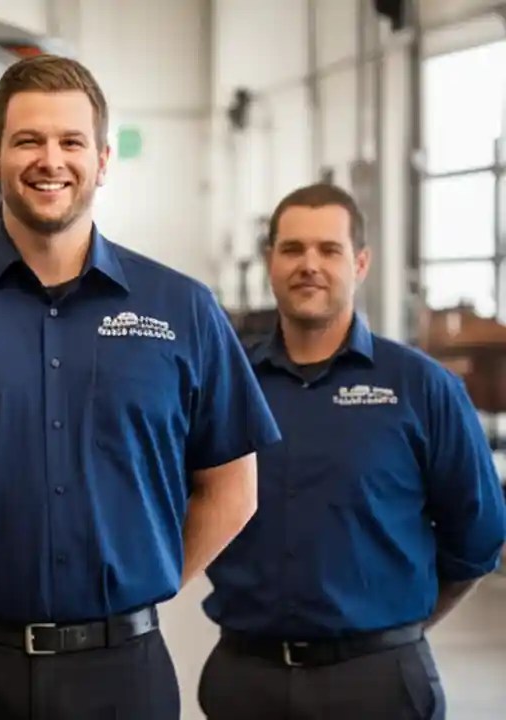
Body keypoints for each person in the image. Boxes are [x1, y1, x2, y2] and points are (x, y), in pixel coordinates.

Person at [0, 53, 283, 720]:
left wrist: (140, 582)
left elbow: (231, 488)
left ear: (103, 160)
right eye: (28, 140)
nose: (50, 160)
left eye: (71, 142)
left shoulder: (184, 310)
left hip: (122, 676)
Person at [197, 183, 506, 720]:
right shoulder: (226, 383)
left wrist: (396, 627)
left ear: (360, 263)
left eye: (329, 249)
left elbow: (477, 538)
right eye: (292, 249)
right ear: (270, 261)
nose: (309, 265)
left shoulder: (420, 387)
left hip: (377, 683)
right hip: (246, 679)